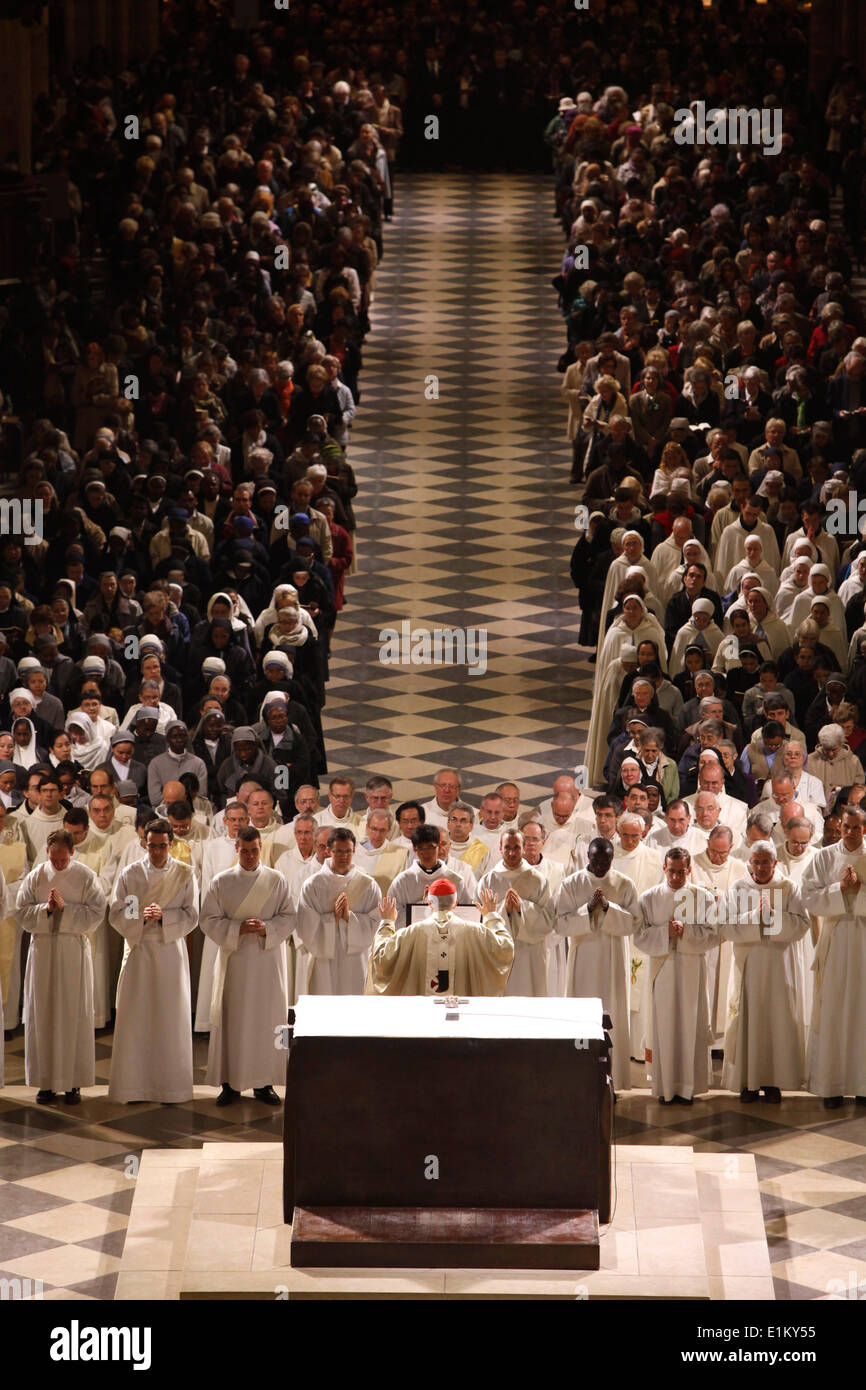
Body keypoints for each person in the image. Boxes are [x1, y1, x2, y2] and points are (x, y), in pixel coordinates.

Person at [200, 825, 295, 1106]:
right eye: (245, 850)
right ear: (236, 849)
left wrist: (267, 928)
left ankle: (264, 1083)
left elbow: (289, 916)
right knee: (234, 1019)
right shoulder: (222, 881)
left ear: (261, 848)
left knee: (267, 1021)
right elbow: (207, 919)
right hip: (236, 961)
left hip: (268, 962)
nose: (251, 855)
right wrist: (236, 929)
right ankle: (230, 1083)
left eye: (255, 850)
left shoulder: (277, 880)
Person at [108, 817, 198, 1103]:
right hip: (140, 950)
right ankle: (134, 1086)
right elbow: (120, 912)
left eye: (162, 846)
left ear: (171, 845)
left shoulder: (184, 874)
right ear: (143, 844)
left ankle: (171, 1087)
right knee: (138, 1016)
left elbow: (192, 914)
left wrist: (165, 917)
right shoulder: (132, 875)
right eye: (151, 847)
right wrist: (142, 917)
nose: (157, 852)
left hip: (170, 950)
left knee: (170, 1016)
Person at [16, 828, 107, 1105]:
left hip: (72, 951)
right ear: (47, 852)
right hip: (43, 950)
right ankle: (45, 1083)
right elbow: (20, 911)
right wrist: (46, 909)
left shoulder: (84, 876)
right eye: (53, 859)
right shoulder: (36, 876)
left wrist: (65, 910)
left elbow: (97, 912)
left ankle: (73, 1083)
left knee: (73, 1013)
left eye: (62, 860)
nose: (57, 864)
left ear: (72, 852)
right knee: (42, 1013)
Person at [722, 842, 810, 1103]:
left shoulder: (788, 888)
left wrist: (771, 916)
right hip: (748, 966)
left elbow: (801, 926)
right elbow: (725, 927)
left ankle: (774, 1081)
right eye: (755, 862)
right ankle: (747, 1082)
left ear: (775, 864)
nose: (760, 867)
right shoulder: (738, 888)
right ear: (749, 862)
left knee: (776, 1021)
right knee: (749, 1019)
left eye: (765, 862)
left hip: (779, 966)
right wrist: (754, 916)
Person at [554, 837, 639, 1092]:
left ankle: (612, 1081)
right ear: (587, 857)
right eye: (596, 859)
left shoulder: (624, 884)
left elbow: (634, 923)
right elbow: (560, 924)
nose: (601, 865)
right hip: (583, 958)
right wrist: (588, 909)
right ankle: (580, 1077)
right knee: (583, 1015)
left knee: (612, 1011)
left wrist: (608, 907)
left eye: (606, 860)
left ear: (613, 858)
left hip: (613, 959)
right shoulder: (571, 883)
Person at [635, 848, 717, 1105]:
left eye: (681, 871)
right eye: (672, 870)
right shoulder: (649, 898)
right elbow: (638, 935)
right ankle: (665, 1086)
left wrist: (686, 932)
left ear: (689, 870)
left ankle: (687, 1088)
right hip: (663, 970)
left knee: (689, 1024)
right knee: (665, 1025)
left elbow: (715, 933)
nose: (676, 876)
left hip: (692, 969)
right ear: (664, 868)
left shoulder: (702, 897)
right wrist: (665, 933)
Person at [800, 805, 866, 1107]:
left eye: (856, 827)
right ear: (839, 828)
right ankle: (832, 1085)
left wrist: (859, 891)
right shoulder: (824, 856)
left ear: (864, 828)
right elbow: (809, 897)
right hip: (837, 937)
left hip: (863, 938)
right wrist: (840, 890)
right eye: (845, 828)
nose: (850, 833)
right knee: (834, 1008)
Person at [367, 879, 513, 996]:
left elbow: (382, 958)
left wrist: (387, 922)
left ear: (429, 903)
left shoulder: (410, 933)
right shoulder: (476, 931)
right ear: (455, 904)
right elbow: (505, 948)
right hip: (461, 1014)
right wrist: (491, 915)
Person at [295, 827, 381, 993]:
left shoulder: (368, 885)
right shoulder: (313, 885)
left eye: (348, 851)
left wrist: (350, 917)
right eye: (339, 851)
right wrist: (332, 918)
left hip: (355, 958)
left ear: (354, 850)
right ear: (328, 850)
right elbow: (305, 926)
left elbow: (376, 922)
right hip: (324, 958)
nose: (344, 857)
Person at [477, 828, 554, 995]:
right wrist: (504, 909)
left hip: (530, 954)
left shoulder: (538, 880)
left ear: (524, 848)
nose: (512, 853)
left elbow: (548, 920)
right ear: (500, 848)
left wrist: (522, 909)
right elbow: (479, 922)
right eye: (507, 848)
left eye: (517, 848)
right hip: (498, 955)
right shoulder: (487, 881)